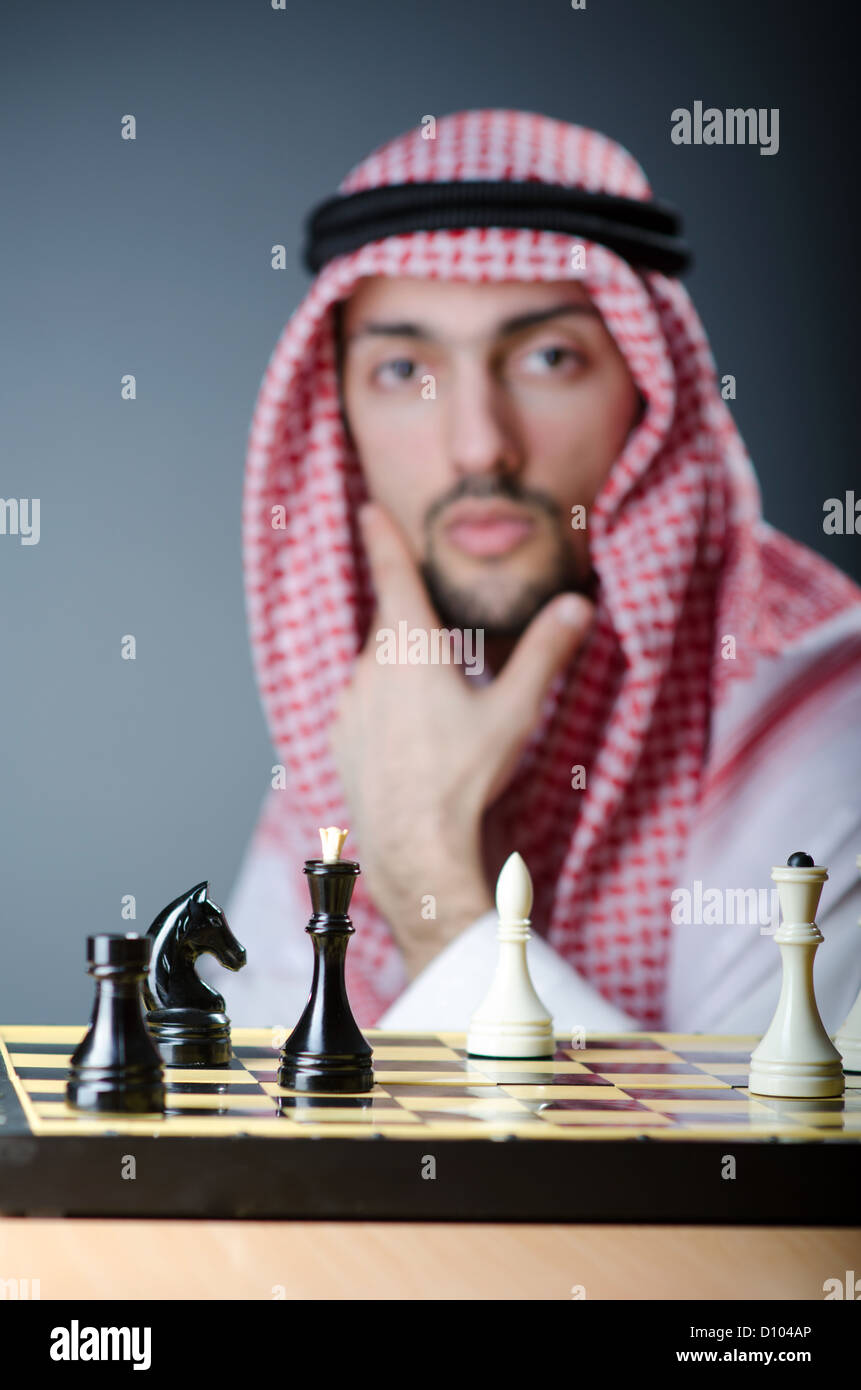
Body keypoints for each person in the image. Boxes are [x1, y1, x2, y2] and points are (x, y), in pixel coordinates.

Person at [219, 109, 861, 1038]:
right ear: (340, 418)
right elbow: (254, 1131)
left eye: (547, 358)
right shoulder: (386, 705)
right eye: (404, 368)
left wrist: (426, 879)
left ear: (647, 391)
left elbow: (753, 1177)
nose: (479, 444)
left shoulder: (824, 721)